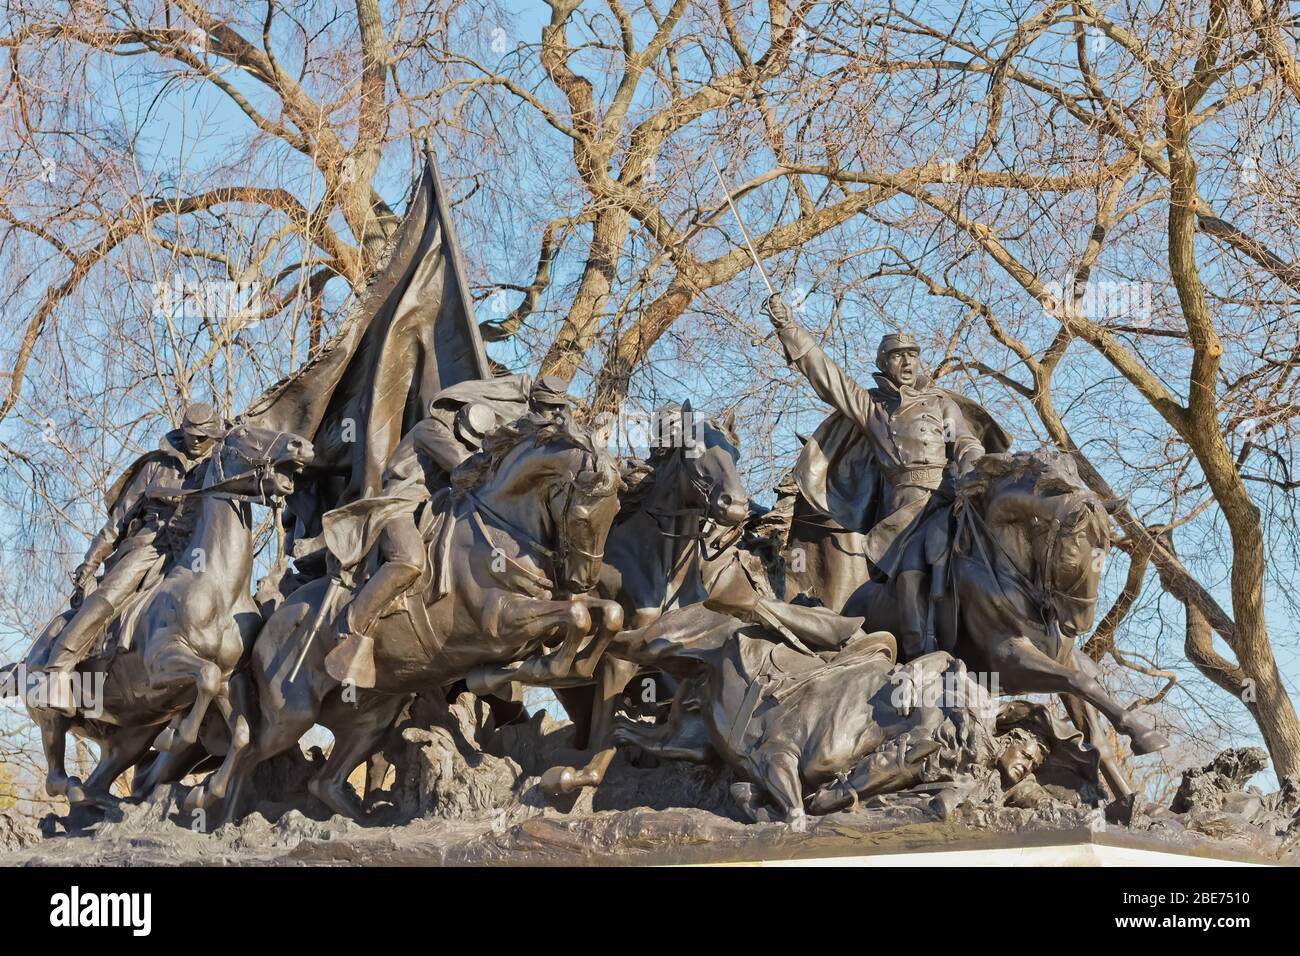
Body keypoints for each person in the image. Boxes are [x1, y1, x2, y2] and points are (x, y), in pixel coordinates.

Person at [761, 294, 985, 657]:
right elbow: (827, 376)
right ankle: (920, 653)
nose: (907, 361)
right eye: (898, 355)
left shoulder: (941, 403)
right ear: (884, 363)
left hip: (946, 499)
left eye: (912, 354)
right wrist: (787, 327)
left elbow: (964, 442)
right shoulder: (872, 408)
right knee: (911, 573)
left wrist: (973, 465)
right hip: (902, 513)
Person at [39, 403, 225, 715]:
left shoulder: (218, 468)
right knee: (111, 595)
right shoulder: (156, 466)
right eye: (190, 433)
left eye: (203, 435)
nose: (195, 440)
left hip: (196, 549)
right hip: (150, 546)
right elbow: (117, 523)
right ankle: (57, 670)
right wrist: (91, 562)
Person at [325, 401, 497, 687]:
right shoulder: (430, 429)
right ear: (458, 421)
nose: (466, 443)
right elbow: (461, 465)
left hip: (432, 510)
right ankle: (351, 625)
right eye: (465, 438)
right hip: (400, 506)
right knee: (409, 559)